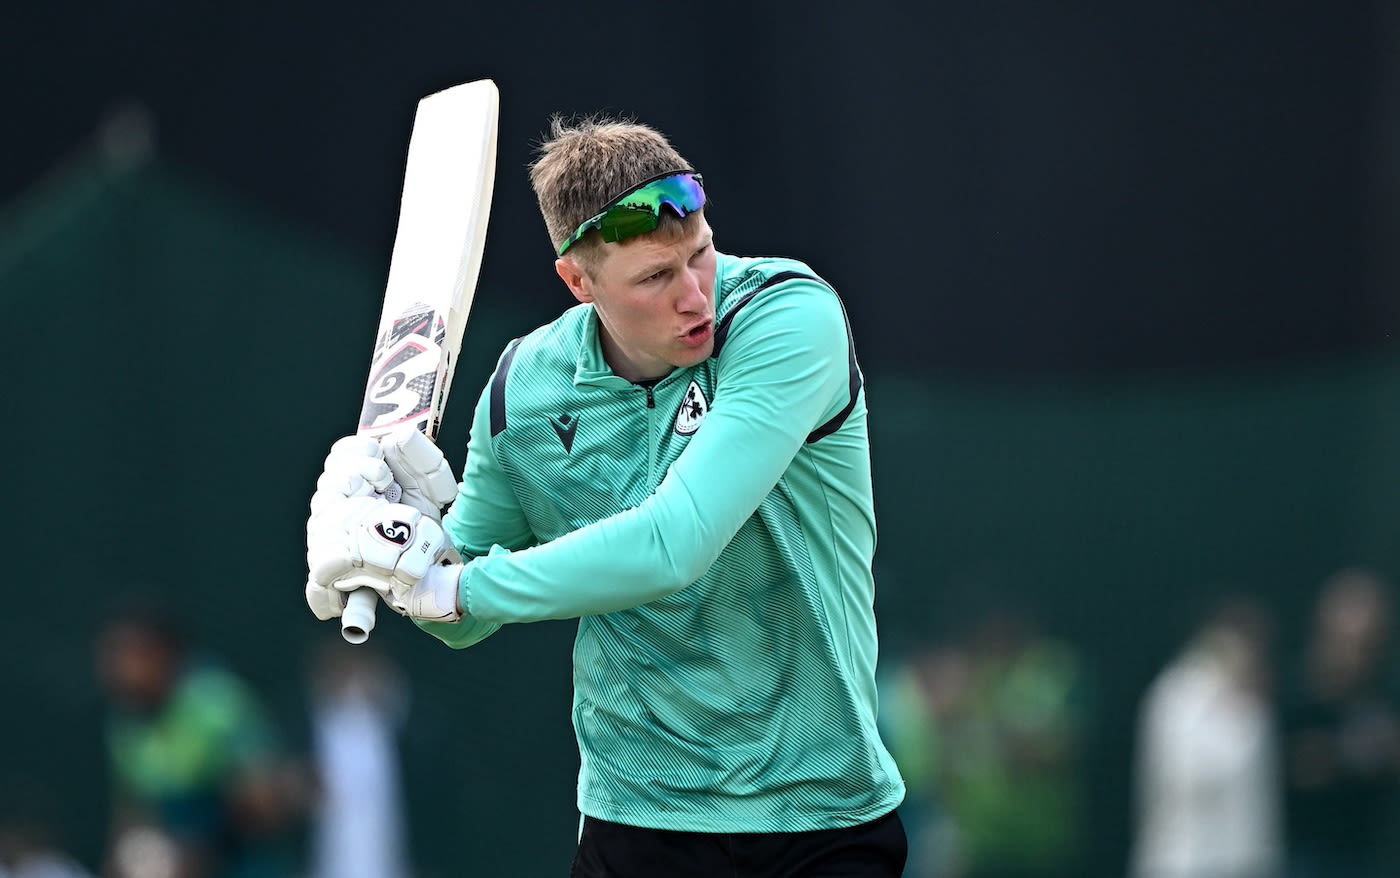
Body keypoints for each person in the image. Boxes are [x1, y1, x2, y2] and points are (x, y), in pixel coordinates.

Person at [304, 115, 908, 876]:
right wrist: (410, 544)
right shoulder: (521, 391)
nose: (696, 296)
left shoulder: (787, 318)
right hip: (635, 822)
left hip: (820, 817)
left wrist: (452, 582)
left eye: (701, 254)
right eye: (656, 277)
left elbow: (673, 544)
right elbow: (461, 622)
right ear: (579, 282)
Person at [96, 608, 305, 878]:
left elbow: (264, 804)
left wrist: (200, 847)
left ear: (167, 653)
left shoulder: (216, 704)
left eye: (134, 653)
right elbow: (133, 814)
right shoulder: (124, 721)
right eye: (114, 654)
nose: (123, 668)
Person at [1130, 597, 1281, 878]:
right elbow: (1187, 776)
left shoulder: (1255, 701)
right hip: (1187, 861)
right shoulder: (1177, 694)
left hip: (1245, 859)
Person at [1282, 567, 1400, 878]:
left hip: (1369, 853)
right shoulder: (1295, 695)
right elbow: (1288, 765)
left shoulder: (1385, 691)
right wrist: (1347, 753)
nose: (1358, 654)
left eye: (1369, 643)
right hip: (1307, 855)